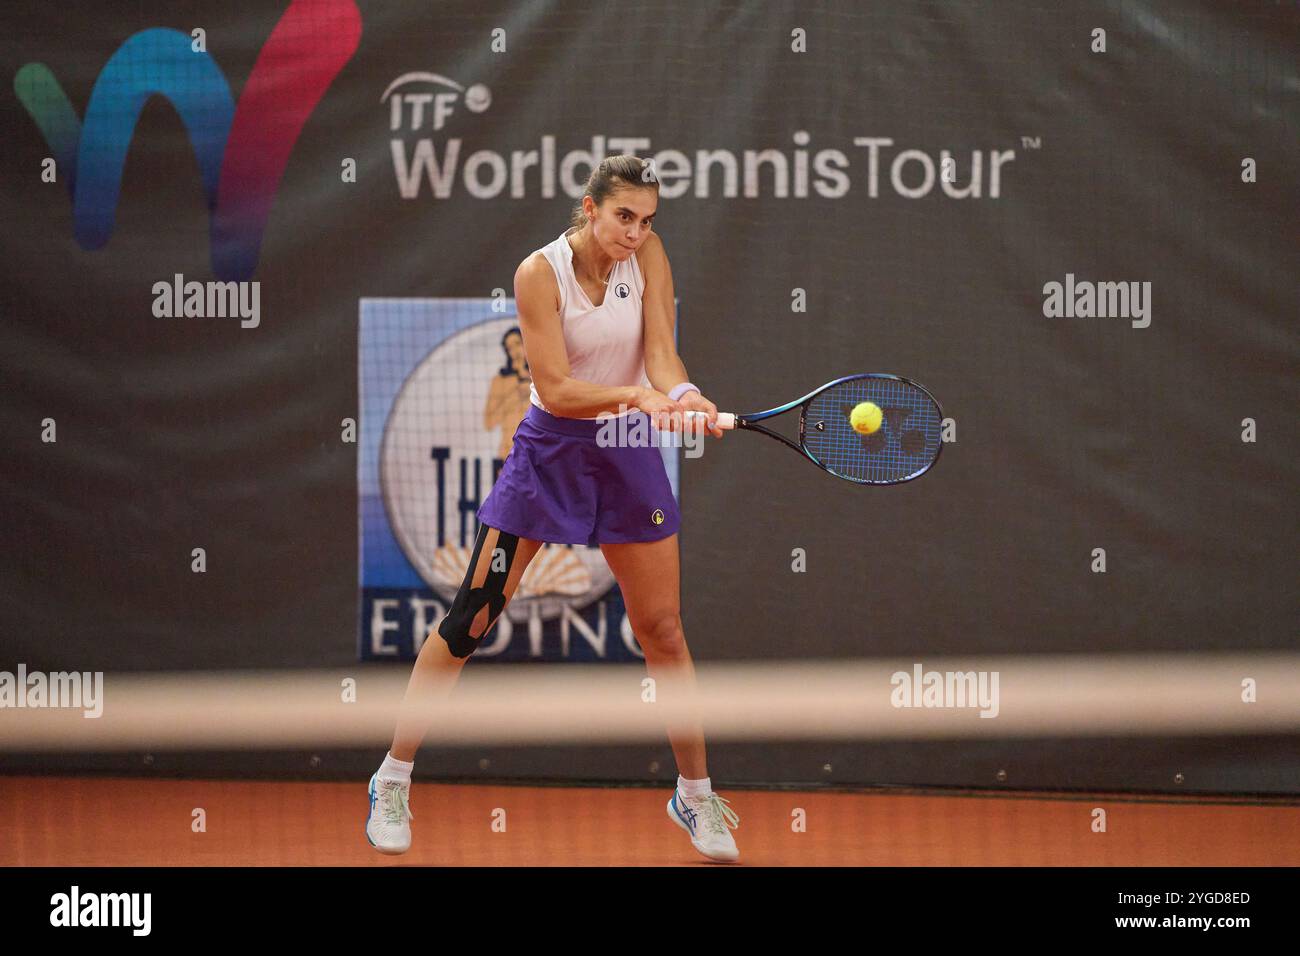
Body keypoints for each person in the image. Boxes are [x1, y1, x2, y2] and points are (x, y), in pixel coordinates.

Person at [365, 155, 740, 863]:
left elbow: (661, 353)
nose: (635, 232)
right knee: (473, 611)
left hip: (628, 451)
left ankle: (695, 795)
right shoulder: (540, 273)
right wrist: (637, 397)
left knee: (662, 627)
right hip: (551, 450)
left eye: (647, 219)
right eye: (623, 216)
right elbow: (560, 388)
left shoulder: (649, 255)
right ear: (590, 207)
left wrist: (683, 397)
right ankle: (392, 777)